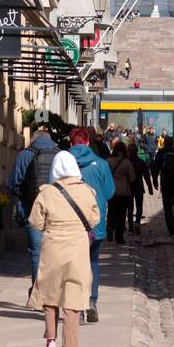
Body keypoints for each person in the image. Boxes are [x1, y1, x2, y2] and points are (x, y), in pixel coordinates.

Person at [28, 150, 100, 347]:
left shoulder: (47, 193)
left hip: (53, 249)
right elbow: (94, 218)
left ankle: (50, 343)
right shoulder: (87, 192)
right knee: (73, 302)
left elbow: (35, 221)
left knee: (50, 297)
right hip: (77, 250)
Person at [68, 128, 114, 322]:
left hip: (71, 223)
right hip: (96, 222)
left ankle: (76, 308)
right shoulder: (102, 164)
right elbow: (110, 192)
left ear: (71, 143)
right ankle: (92, 300)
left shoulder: (64, 163)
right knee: (93, 262)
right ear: (88, 143)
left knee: (73, 265)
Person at [6, 122, 59, 291]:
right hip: (56, 213)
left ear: (33, 140)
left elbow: (13, 183)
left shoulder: (24, 155)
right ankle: (53, 290)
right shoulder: (59, 154)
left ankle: (38, 291)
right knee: (54, 253)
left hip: (32, 209)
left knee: (37, 252)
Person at [107, 142, 135, 243]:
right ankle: (119, 237)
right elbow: (132, 178)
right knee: (122, 214)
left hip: (111, 190)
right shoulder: (127, 163)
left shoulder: (108, 161)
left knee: (111, 210)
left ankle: (110, 226)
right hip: (124, 191)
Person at [126, 142, 154, 235]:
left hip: (128, 188)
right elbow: (146, 176)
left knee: (129, 208)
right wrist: (150, 187)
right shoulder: (141, 162)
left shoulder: (126, 162)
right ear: (137, 151)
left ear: (128, 152)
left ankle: (130, 227)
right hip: (138, 187)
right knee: (139, 207)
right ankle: (137, 223)